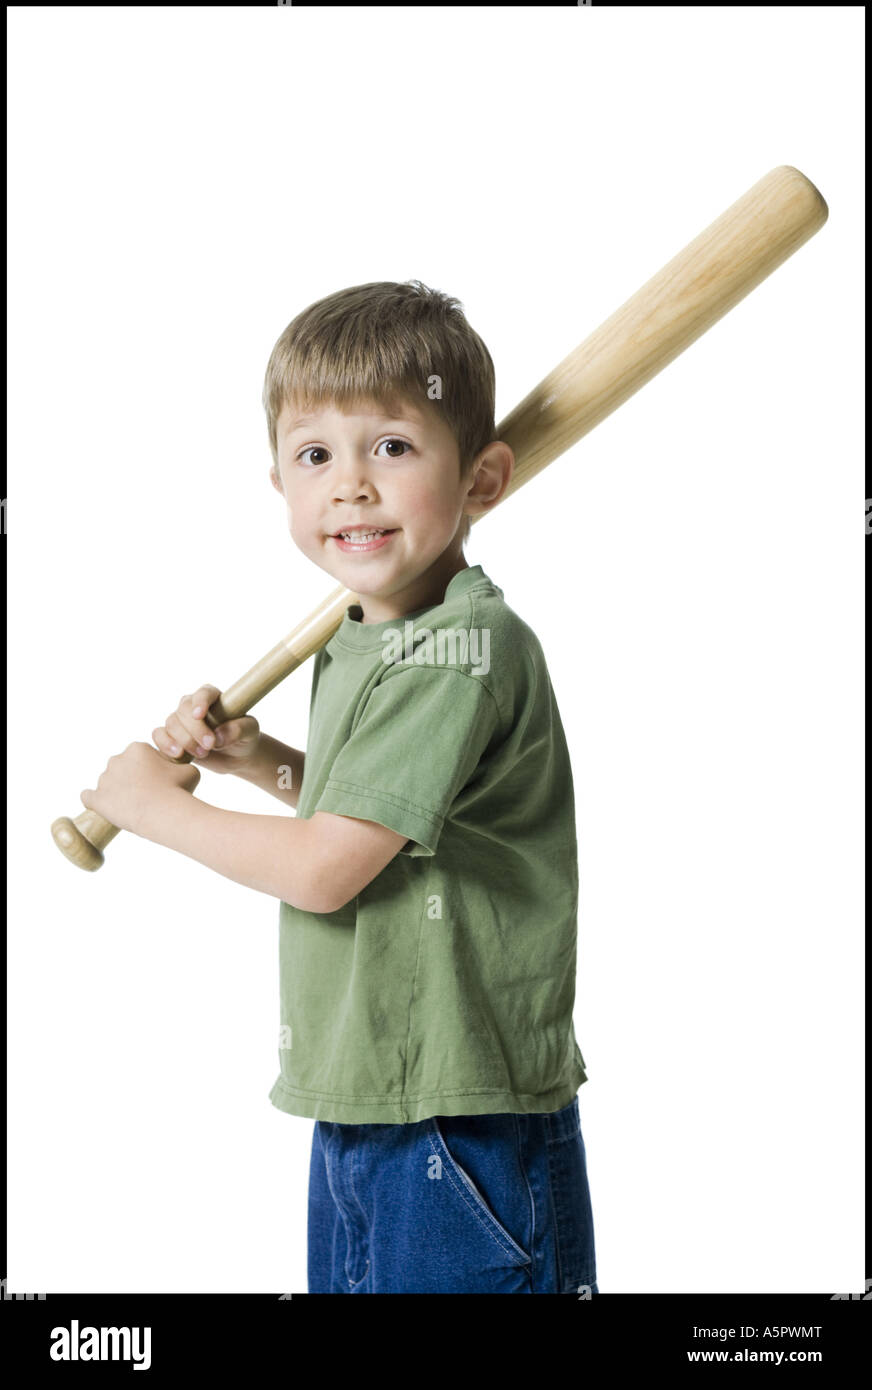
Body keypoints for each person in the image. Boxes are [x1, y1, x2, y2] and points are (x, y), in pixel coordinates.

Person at [81, 280, 598, 1294]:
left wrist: (160, 809)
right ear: (277, 479)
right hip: (371, 1098)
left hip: (454, 1124)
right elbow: (387, 818)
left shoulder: (458, 644)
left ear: (483, 476)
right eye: (315, 454)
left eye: (392, 448)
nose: (349, 485)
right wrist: (259, 759)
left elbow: (328, 870)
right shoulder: (373, 635)